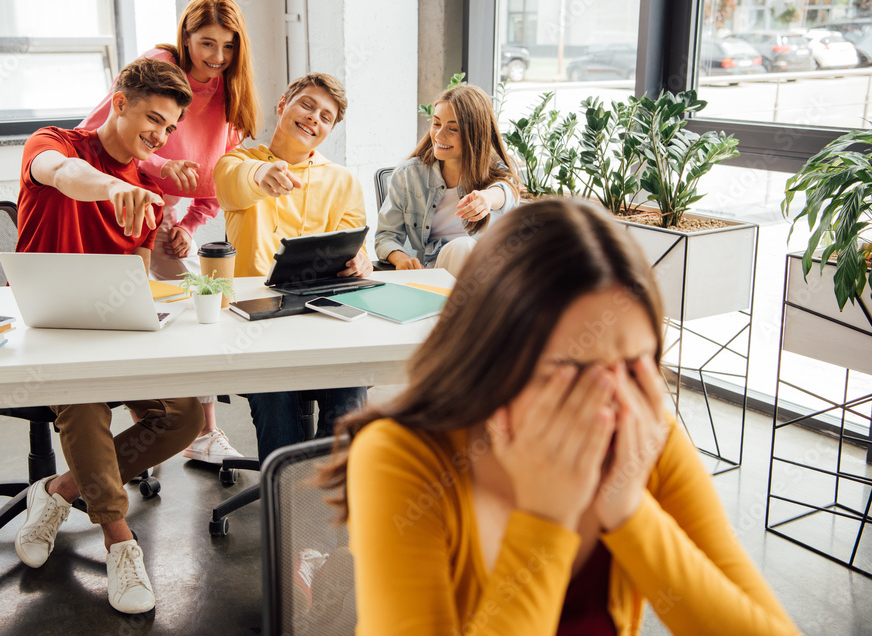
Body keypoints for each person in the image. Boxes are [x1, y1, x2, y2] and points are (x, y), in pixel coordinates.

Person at [322, 199, 800, 635]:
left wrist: (630, 512)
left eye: (635, 365)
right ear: (493, 356)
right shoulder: (402, 458)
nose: (608, 400)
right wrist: (545, 520)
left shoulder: (642, 432)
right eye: (571, 370)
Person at [14, 57, 206, 614]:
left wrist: (172, 257)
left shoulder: (147, 185)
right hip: (52, 325)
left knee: (184, 416)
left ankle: (60, 492)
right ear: (119, 102)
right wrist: (108, 187)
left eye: (169, 128)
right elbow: (64, 175)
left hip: (114, 322)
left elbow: (144, 269)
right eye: (153, 119)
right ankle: (121, 542)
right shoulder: (54, 143)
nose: (161, 136)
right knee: (85, 399)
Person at [79, 0, 261, 465]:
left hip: (168, 218)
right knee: (129, 316)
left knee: (207, 305)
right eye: (206, 43)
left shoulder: (231, 93)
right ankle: (150, 428)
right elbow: (106, 138)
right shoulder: (159, 67)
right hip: (123, 210)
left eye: (228, 47)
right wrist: (160, 174)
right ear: (185, 37)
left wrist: (185, 224)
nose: (216, 58)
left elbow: (214, 180)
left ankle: (204, 432)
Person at [213, 72, 370, 462]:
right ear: (283, 104)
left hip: (322, 317)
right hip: (256, 322)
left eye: (326, 117)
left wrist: (360, 261)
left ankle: (328, 497)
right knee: (276, 400)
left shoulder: (343, 179)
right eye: (307, 105)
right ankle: (285, 506)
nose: (314, 118)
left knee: (350, 397)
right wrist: (263, 175)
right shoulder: (238, 161)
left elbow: (354, 242)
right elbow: (237, 182)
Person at [375, 84, 520, 276]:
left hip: (488, 275)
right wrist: (401, 258)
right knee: (461, 248)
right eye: (436, 123)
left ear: (475, 135)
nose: (439, 135)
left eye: (453, 129)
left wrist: (487, 198)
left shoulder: (497, 170)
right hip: (435, 273)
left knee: (466, 247)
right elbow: (386, 236)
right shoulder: (409, 174)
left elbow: (506, 191)